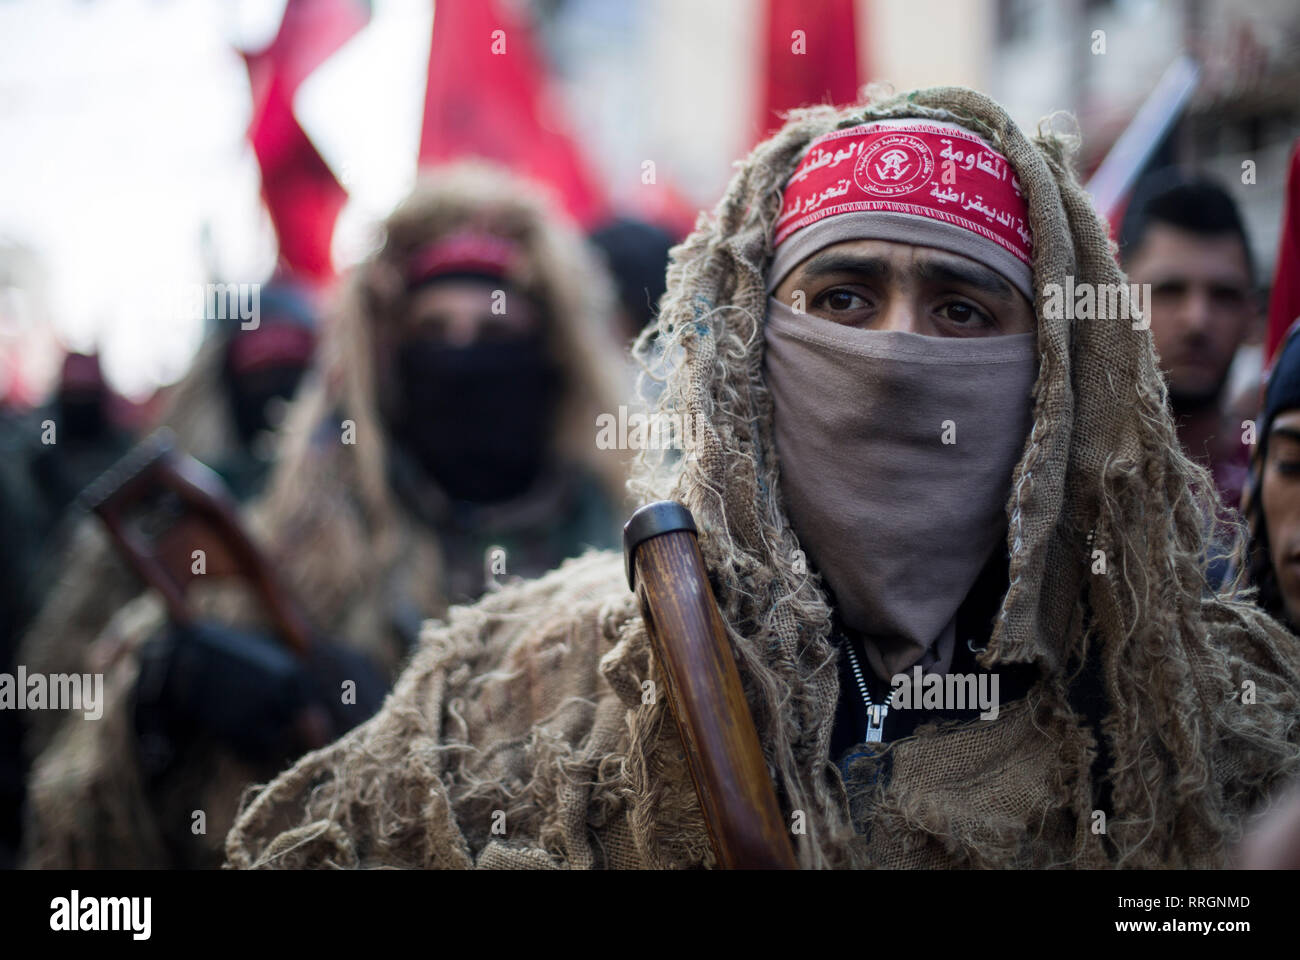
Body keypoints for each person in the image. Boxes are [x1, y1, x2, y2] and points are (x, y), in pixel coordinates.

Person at [226, 88, 1300, 871]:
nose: (888, 358)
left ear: (1052, 377)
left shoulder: (1209, 725)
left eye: (959, 310)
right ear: (752, 349)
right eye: (841, 298)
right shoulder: (522, 695)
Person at [22, 162, 628, 868]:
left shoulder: (636, 562)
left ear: (549, 357)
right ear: (391, 367)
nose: (463, 360)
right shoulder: (293, 562)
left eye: (494, 336)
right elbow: (73, 804)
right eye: (434, 331)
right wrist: (165, 691)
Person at [1120, 171, 1259, 510]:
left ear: (1251, 315)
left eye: (1224, 295)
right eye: (1169, 291)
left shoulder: (1274, 480)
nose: (1198, 320)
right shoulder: (1064, 476)